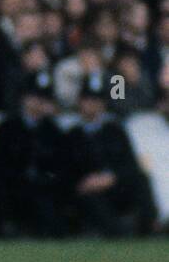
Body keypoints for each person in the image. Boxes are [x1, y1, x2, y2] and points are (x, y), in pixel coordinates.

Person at [64, 76, 157, 236]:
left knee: (142, 180)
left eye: (97, 100)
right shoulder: (73, 135)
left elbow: (130, 165)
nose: (93, 104)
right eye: (88, 99)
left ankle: (147, 229)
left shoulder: (114, 130)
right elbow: (67, 169)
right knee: (90, 199)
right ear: (80, 102)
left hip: (115, 185)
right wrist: (87, 182)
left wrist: (112, 177)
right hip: (89, 190)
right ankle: (118, 234)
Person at [0, 71, 68, 237]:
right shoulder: (8, 127)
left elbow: (60, 165)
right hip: (13, 186)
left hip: (43, 187)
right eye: (35, 96)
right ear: (24, 98)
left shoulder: (52, 129)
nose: (39, 103)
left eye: (44, 98)